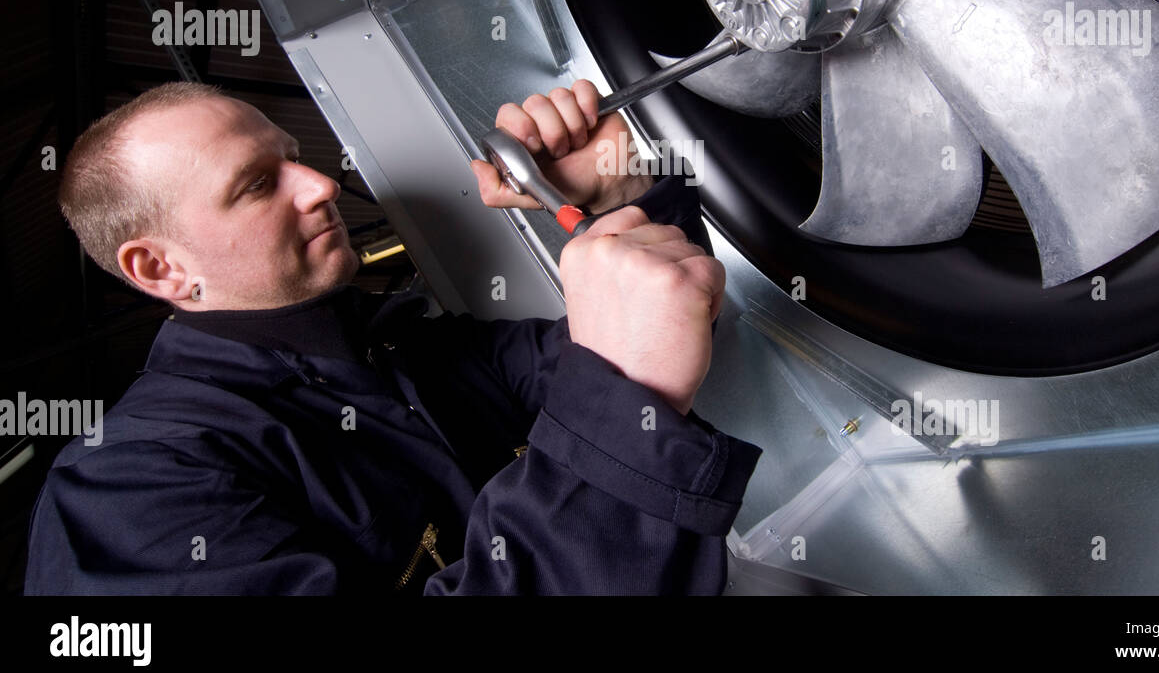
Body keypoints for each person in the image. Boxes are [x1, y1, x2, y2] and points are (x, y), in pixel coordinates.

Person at [24, 80, 761, 594]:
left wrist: (619, 194)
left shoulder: (410, 351)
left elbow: (668, 341)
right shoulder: (131, 490)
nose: (318, 184)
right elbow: (623, 398)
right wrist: (614, 393)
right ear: (160, 267)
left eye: (292, 157)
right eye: (256, 183)